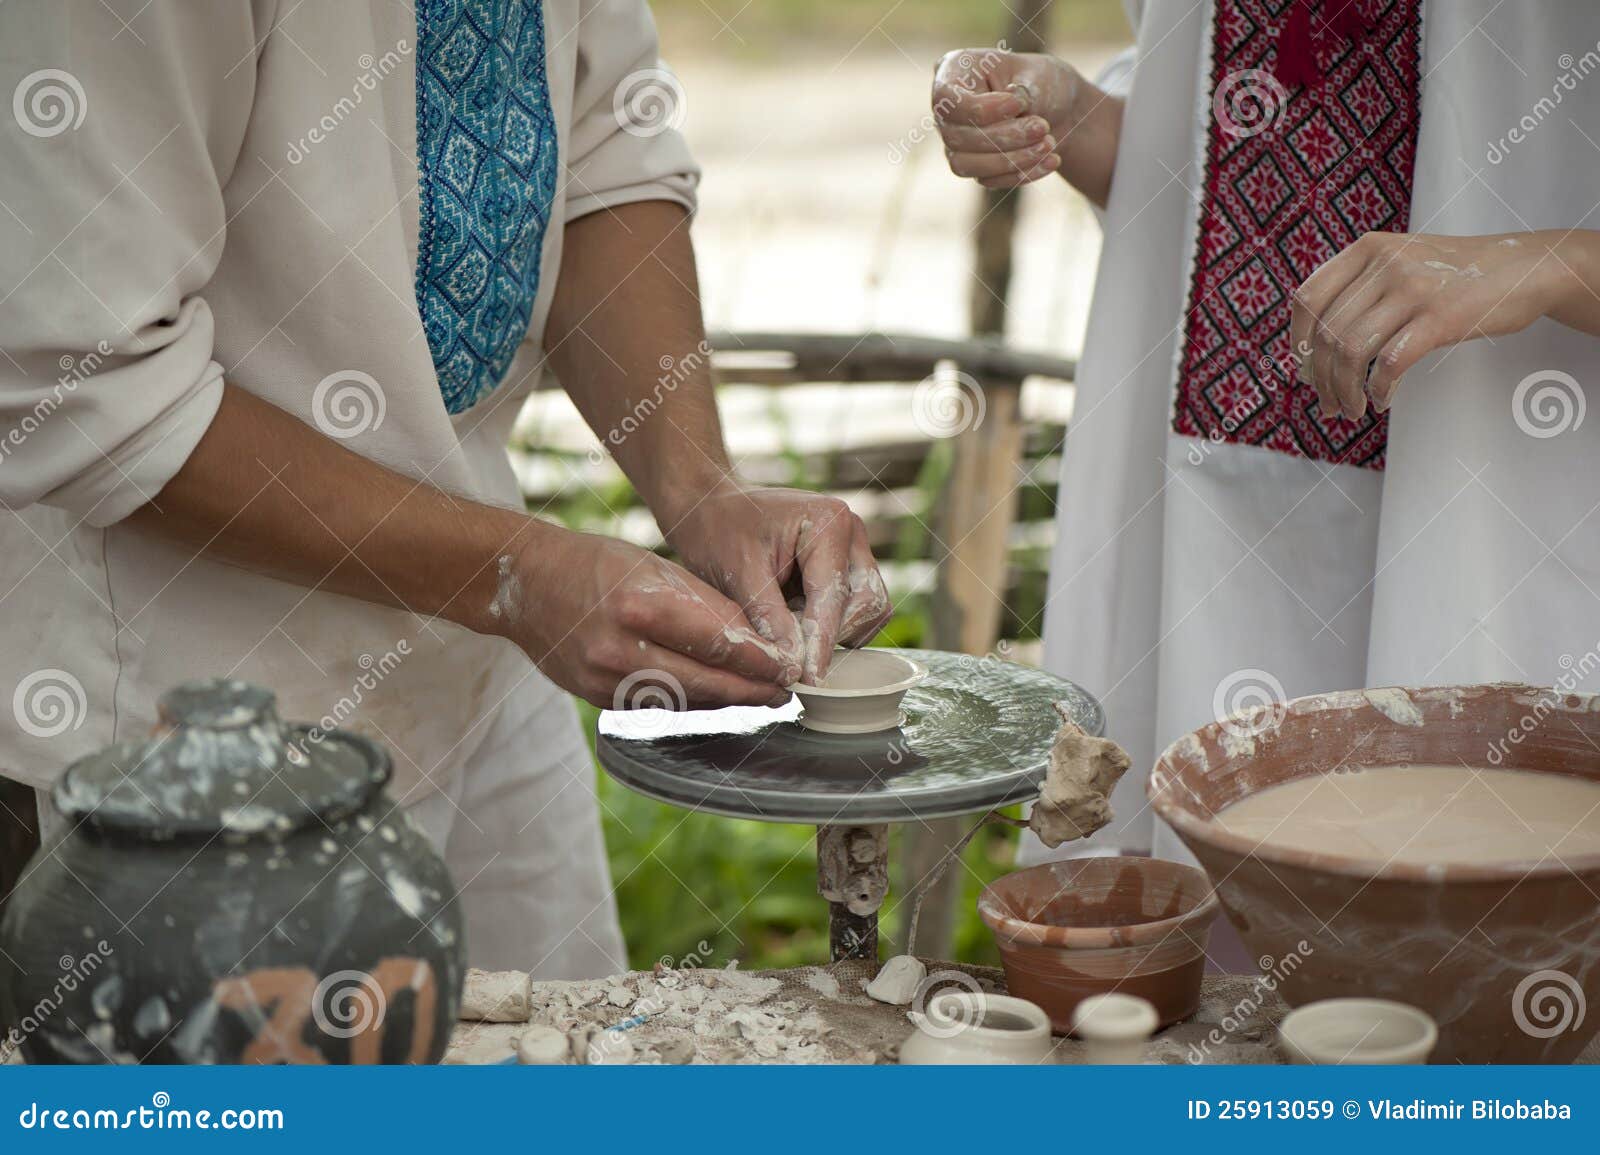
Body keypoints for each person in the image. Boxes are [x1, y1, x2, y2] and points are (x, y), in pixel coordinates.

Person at [0, 0, 888, 976]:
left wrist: (702, 491)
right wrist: (515, 573)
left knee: (553, 1076)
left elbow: (606, 156)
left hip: (485, 662)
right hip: (203, 714)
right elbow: (93, 376)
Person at [933, 0, 1600, 879]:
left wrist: (1547, 261)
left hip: (1508, 516)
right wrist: (1075, 118)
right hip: (1193, 532)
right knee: (1186, 956)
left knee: (1471, 938)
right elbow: (1209, 155)